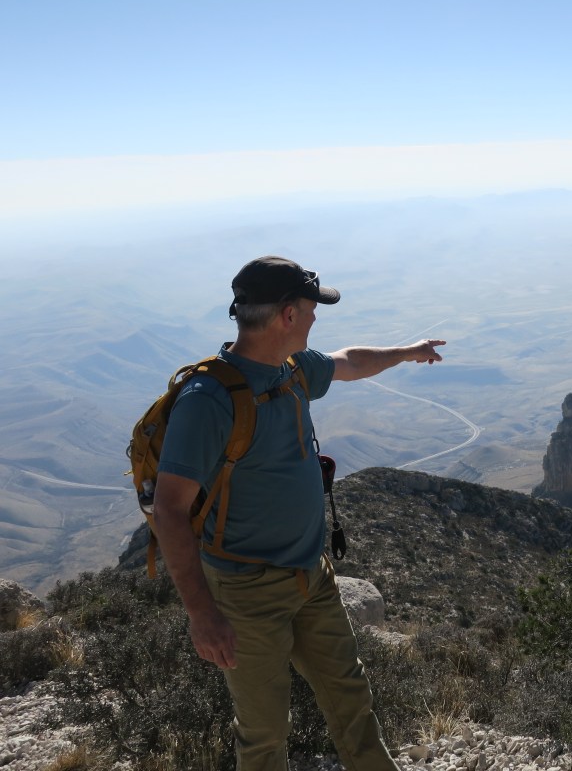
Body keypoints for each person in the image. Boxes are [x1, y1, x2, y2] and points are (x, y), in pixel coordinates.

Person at [153, 255, 445, 771]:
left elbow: (351, 361)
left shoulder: (290, 371)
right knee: (265, 734)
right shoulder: (209, 399)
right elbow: (169, 512)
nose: (316, 319)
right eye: (311, 309)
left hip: (312, 575)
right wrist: (202, 615)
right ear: (288, 315)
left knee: (351, 700)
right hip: (247, 592)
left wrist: (407, 352)